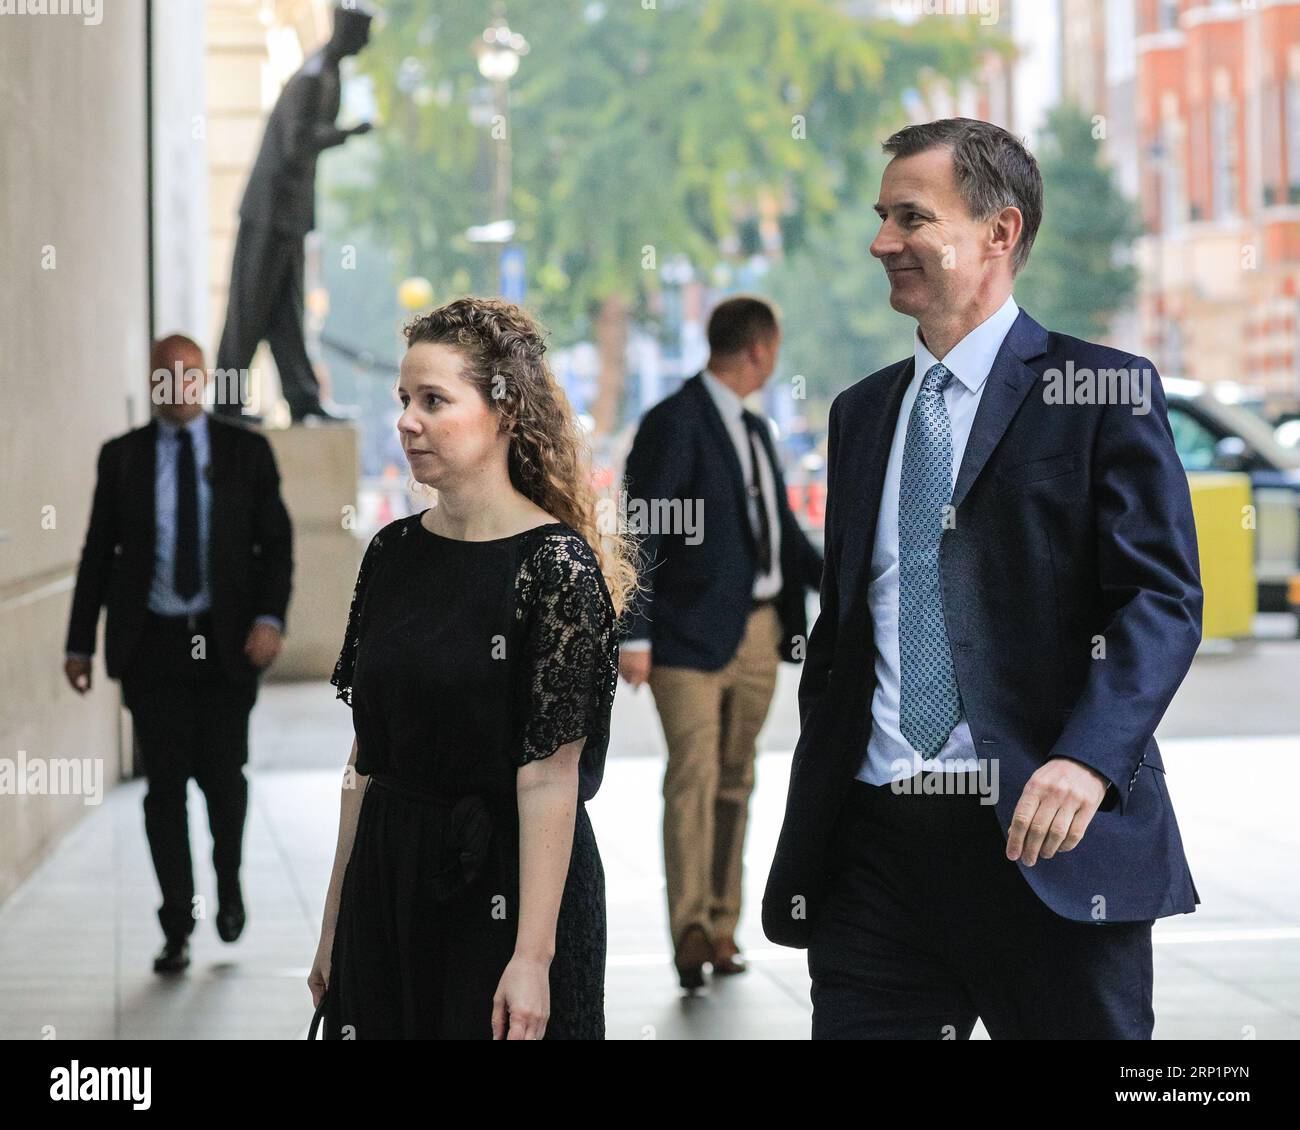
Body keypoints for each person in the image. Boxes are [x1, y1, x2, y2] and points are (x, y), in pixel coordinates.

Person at [762, 117, 1202, 1039]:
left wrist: (1088, 758)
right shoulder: (861, 414)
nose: (883, 242)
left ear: (999, 232)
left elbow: (1159, 601)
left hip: (1049, 843)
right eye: (881, 218)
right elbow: (854, 622)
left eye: (911, 218)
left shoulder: (1102, 391)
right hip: (874, 855)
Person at [309, 297, 634, 1039]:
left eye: (433, 400)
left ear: (504, 412)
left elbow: (549, 776)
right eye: (403, 400)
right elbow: (365, 759)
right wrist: (334, 922)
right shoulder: (392, 553)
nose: (407, 421)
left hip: (510, 887)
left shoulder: (554, 568)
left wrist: (532, 958)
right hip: (390, 881)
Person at [64, 334, 293, 974]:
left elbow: (276, 545)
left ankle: (229, 881)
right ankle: (176, 922)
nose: (178, 386)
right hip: (154, 647)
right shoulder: (123, 458)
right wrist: (79, 642)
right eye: (164, 376)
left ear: (205, 382)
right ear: (153, 383)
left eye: (189, 375)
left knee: (224, 781)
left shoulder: (246, 452)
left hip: (225, 648)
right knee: (163, 791)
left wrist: (270, 619)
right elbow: (94, 555)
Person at [620, 296, 823, 990]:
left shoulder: (757, 431)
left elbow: (785, 539)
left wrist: (850, 583)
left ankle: (723, 927)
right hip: (684, 638)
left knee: (737, 782)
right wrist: (634, 632)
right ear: (759, 350)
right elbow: (640, 530)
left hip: (762, 631)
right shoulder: (673, 423)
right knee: (693, 780)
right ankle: (689, 931)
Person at [214, 3, 374, 425]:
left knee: (286, 311)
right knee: (249, 307)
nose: (367, 43)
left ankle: (302, 398)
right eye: (364, 33)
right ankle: (226, 402)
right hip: (270, 213)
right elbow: (295, 143)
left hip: (286, 216)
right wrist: (347, 133)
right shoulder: (312, 77)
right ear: (348, 33)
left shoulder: (324, 72)